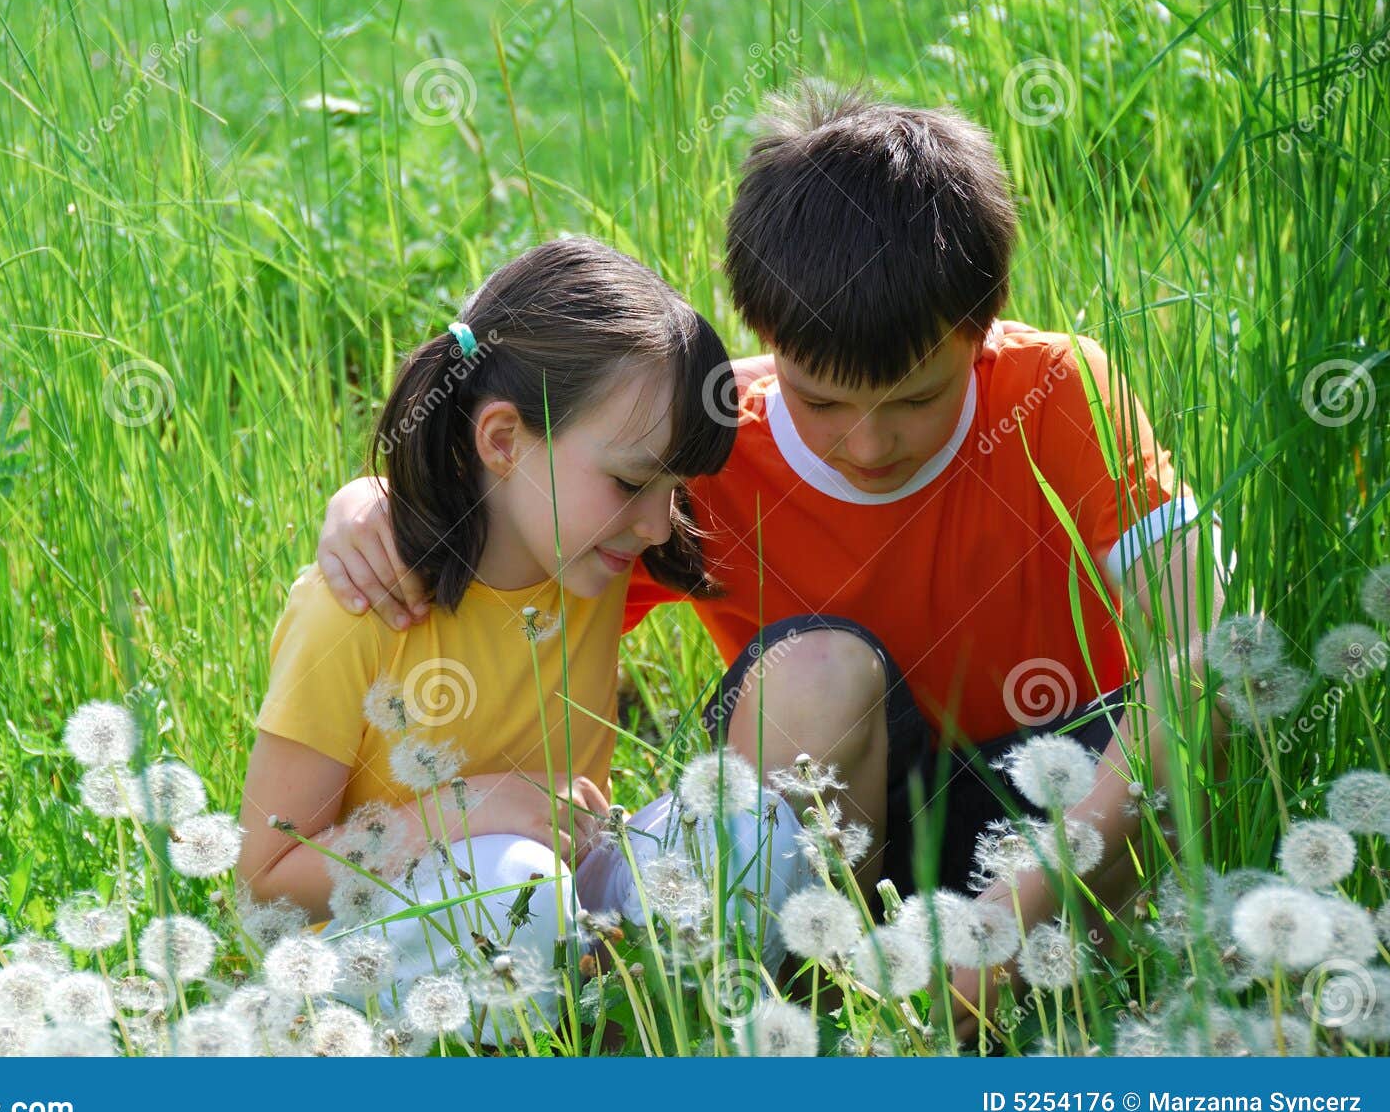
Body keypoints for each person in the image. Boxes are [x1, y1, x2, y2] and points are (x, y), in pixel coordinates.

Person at [310, 80, 1231, 1047]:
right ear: (764, 338)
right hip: (840, 835)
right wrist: (388, 499)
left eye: (916, 399)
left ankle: (1018, 988)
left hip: (1065, 811)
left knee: (1182, 758)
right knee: (815, 672)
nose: (868, 444)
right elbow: (521, 551)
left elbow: (1204, 652)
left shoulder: (1061, 391)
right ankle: (807, 996)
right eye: (821, 401)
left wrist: (1019, 905)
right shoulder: (711, 449)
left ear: (982, 328)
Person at [235, 235, 743, 1046]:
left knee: (747, 829)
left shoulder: (592, 550)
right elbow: (263, 881)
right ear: (503, 441)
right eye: (631, 483)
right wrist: (462, 810)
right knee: (517, 889)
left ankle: (654, 1030)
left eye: (674, 489)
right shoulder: (358, 609)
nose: (659, 524)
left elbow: (799, 406)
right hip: (370, 959)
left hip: (560, 899)